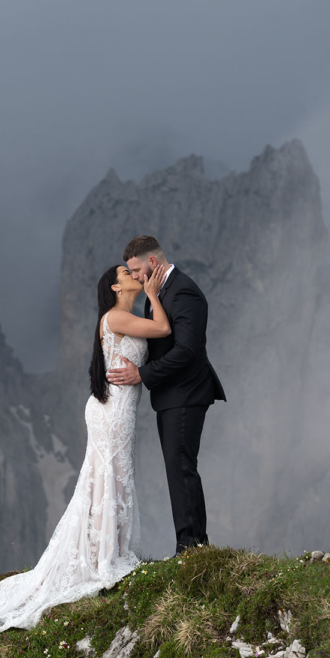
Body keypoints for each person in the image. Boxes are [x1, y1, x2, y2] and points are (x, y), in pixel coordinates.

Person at [0, 263, 170, 644]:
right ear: (115, 285)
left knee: (115, 474)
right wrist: (155, 295)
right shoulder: (116, 316)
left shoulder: (125, 315)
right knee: (110, 474)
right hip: (112, 411)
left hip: (118, 408)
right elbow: (162, 329)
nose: (134, 276)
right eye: (127, 272)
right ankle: (104, 555)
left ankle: (109, 549)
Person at [107, 235, 226, 555]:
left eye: (135, 270)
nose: (133, 276)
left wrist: (141, 374)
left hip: (187, 394)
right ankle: (193, 544)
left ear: (153, 263)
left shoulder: (183, 290)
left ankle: (191, 547)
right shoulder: (156, 292)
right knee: (178, 467)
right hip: (172, 396)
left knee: (181, 467)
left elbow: (187, 350)